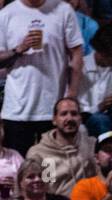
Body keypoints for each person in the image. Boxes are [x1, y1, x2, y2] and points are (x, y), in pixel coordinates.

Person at [0, 0, 85, 157]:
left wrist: (72, 94)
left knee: (50, 167)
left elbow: (77, 53)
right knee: (21, 165)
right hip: (17, 108)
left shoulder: (64, 10)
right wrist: (18, 49)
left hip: (52, 109)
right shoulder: (6, 14)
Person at [25, 98, 96, 199]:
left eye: (74, 114)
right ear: (54, 120)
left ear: (80, 119)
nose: (69, 118)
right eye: (63, 114)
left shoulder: (91, 145)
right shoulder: (38, 153)